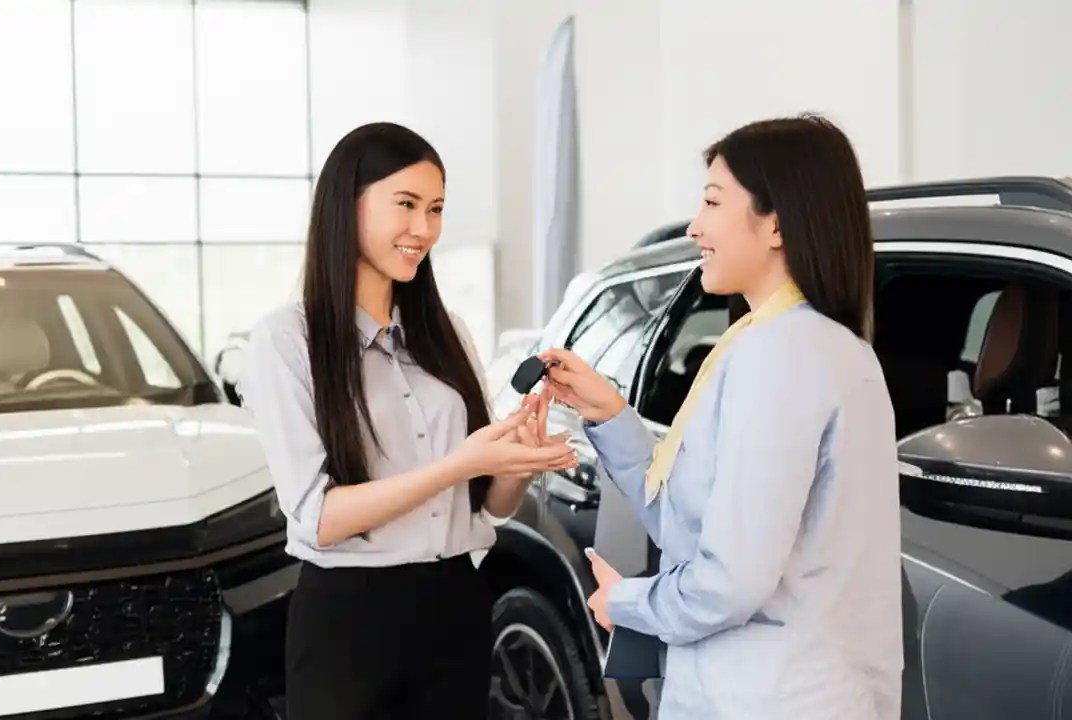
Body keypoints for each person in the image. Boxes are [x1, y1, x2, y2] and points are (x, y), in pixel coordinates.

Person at [541, 114, 903, 719]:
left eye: (712, 201)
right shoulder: (815, 346)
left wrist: (628, 602)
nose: (694, 225)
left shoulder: (779, 354)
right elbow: (692, 526)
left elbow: (730, 579)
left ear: (778, 223)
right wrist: (612, 416)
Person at [241, 121, 577, 720]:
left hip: (455, 605)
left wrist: (517, 458)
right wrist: (459, 463)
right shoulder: (286, 342)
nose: (424, 229)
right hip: (350, 620)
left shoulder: (446, 334)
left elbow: (489, 507)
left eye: (437, 208)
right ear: (348, 206)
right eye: (407, 204)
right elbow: (318, 518)